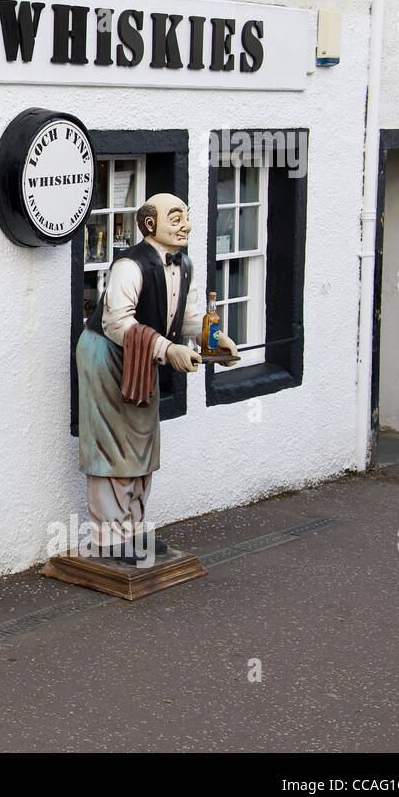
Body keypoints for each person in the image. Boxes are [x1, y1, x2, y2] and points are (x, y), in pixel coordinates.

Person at [75, 193, 238, 563]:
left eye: (187, 217)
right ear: (150, 225)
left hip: (142, 355)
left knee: (141, 443)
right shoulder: (129, 266)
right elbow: (118, 323)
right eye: (175, 217)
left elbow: (188, 317)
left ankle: (130, 529)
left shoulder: (186, 265)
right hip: (106, 356)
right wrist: (168, 350)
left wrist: (215, 340)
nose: (186, 225)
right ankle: (107, 537)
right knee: (112, 446)